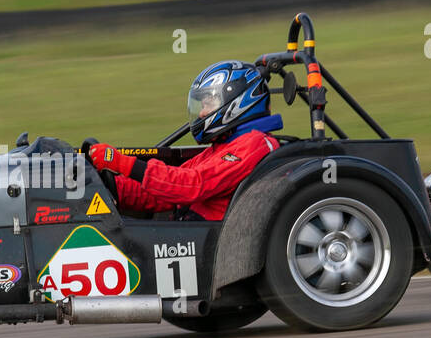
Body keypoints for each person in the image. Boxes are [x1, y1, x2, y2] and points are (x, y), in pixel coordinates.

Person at [86, 60, 283, 221]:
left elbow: (191, 186)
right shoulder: (224, 146)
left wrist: (122, 163)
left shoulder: (253, 145)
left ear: (238, 101)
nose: (202, 113)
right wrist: (110, 186)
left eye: (209, 104)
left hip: (214, 242)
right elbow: (169, 190)